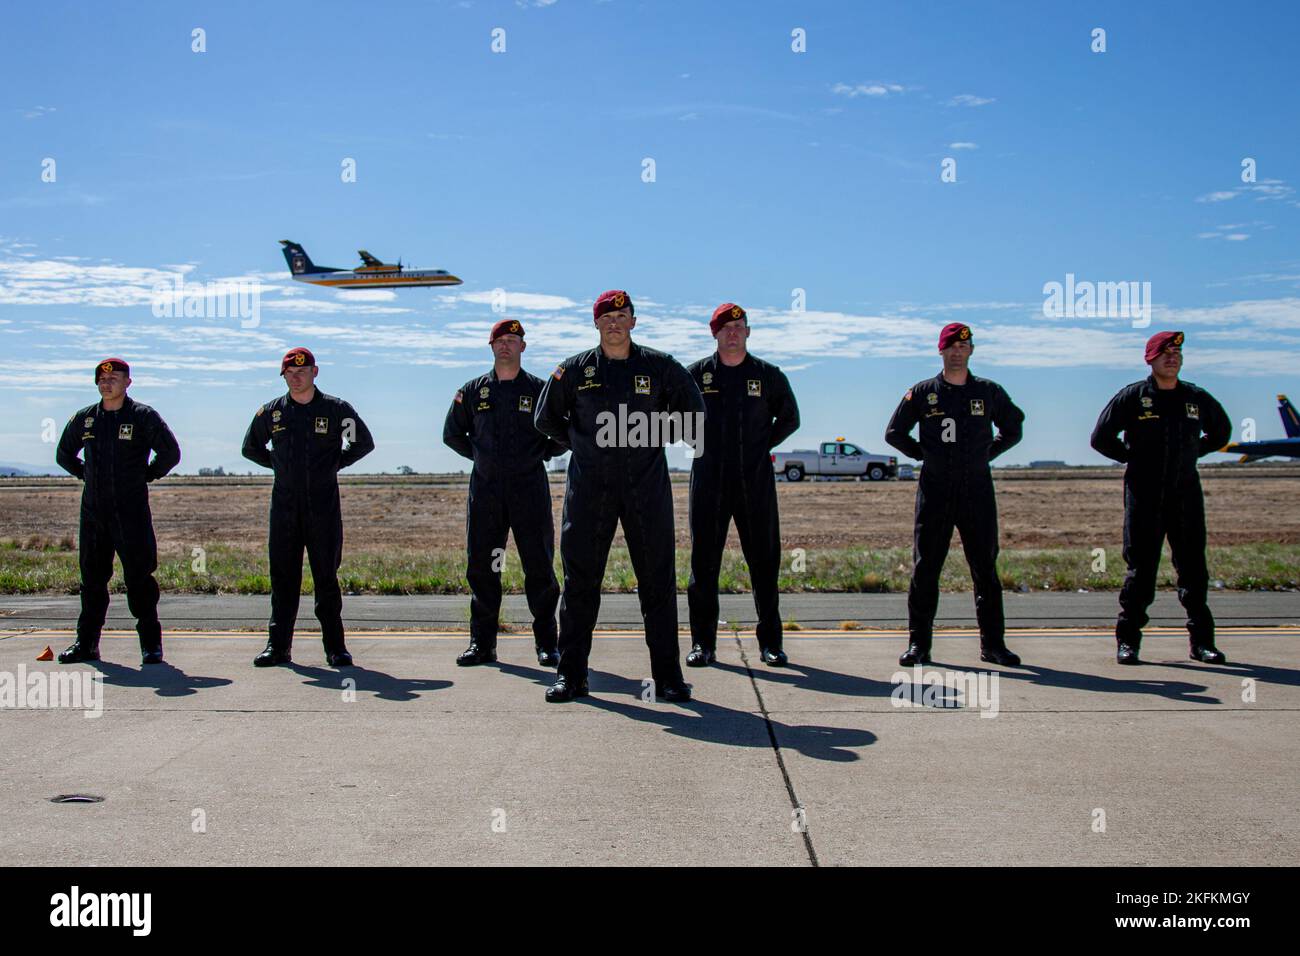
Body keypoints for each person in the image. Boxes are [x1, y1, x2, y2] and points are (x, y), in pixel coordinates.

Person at [534, 290, 704, 702]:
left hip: (646, 490)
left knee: (657, 583)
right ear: (595, 324)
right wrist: (584, 444)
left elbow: (693, 413)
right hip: (589, 490)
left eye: (622, 315)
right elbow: (545, 420)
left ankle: (668, 678)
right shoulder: (572, 371)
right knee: (579, 585)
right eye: (606, 317)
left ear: (633, 321)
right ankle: (571, 676)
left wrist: (655, 436)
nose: (614, 322)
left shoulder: (660, 367)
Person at [885, 323, 1025, 667]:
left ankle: (993, 644)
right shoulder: (923, 392)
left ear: (972, 350)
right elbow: (894, 432)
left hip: (976, 489)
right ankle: (919, 645)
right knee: (926, 569)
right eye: (951, 347)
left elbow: (1014, 427)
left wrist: (987, 454)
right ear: (941, 351)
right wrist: (923, 454)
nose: (958, 352)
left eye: (964, 346)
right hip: (935, 489)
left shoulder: (988, 392)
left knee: (985, 570)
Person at [1090, 331, 1232, 665]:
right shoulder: (1134, 397)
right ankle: (1128, 642)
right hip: (1145, 494)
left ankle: (1202, 643)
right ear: (1150, 359)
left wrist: (1195, 450)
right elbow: (1101, 437)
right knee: (1141, 571)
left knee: (1194, 570)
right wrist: (1130, 457)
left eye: (1177, 353)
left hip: (1185, 493)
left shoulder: (1195, 398)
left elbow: (1222, 432)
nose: (1173, 357)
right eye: (1165, 353)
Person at [241, 347, 374, 667]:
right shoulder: (272, 413)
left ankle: (335, 647)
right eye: (289, 372)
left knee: (326, 578)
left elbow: (363, 443)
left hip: (323, 507)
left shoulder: (335, 410)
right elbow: (250, 448)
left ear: (315, 372)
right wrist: (278, 464)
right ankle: (278, 647)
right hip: (285, 507)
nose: (296, 376)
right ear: (283, 376)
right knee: (283, 580)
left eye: (302, 371)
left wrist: (333, 464)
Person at [443, 318, 564, 667]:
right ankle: (482, 644)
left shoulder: (540, 390)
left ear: (523, 347)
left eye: (513, 340)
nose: (507, 345)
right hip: (486, 493)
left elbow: (560, 434)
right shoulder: (473, 391)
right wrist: (482, 458)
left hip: (529, 490)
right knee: (483, 568)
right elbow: (452, 434)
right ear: (492, 347)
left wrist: (538, 455)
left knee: (538, 567)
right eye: (501, 340)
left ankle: (547, 644)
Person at [685, 303, 800, 667]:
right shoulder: (696, 375)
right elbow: (672, 415)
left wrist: (760, 444)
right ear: (714, 333)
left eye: (739, 326)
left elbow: (791, 418)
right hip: (709, 482)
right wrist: (698, 443)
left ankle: (771, 643)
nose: (732, 332)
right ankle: (703, 644)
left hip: (755, 483)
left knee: (764, 563)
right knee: (704, 566)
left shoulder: (768, 375)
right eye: (725, 327)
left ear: (748, 332)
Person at [54, 358, 181, 665]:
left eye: (114, 377)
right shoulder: (86, 419)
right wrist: (86, 473)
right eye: (102, 378)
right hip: (95, 512)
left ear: (128, 383)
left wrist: (147, 475)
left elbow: (171, 453)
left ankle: (151, 646)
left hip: (131, 512)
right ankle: (86, 643)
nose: (107, 382)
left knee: (139, 579)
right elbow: (63, 454)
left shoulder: (142, 416)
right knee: (92, 581)